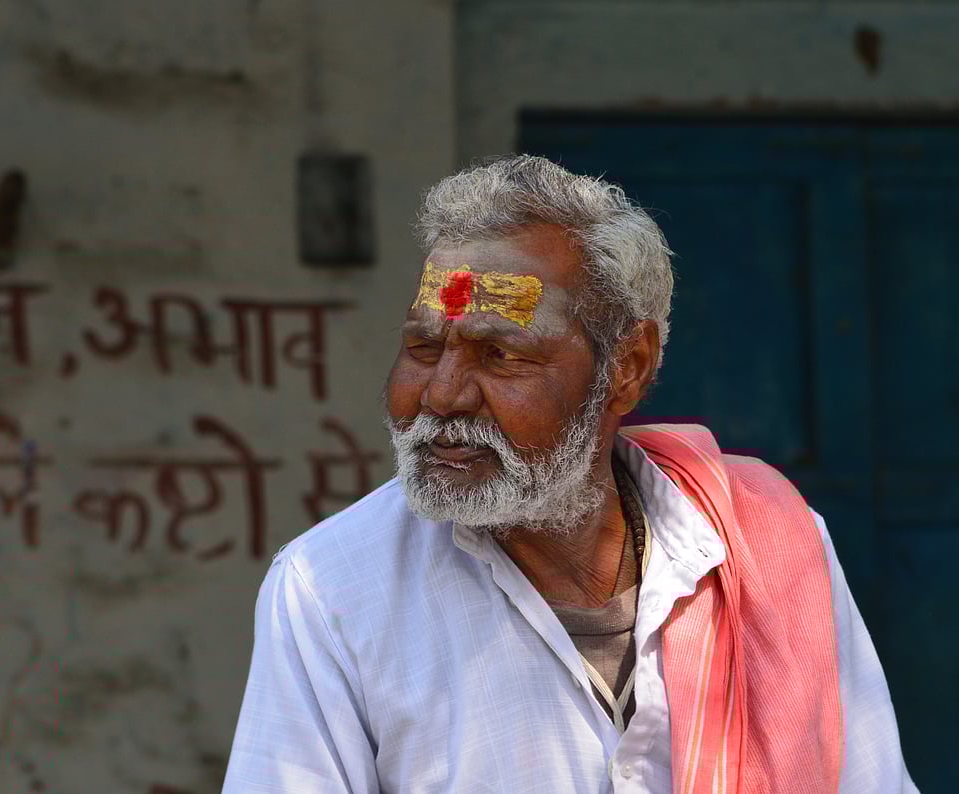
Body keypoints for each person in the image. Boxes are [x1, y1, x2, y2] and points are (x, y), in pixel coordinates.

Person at [222, 155, 917, 792]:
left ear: (628, 367)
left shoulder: (774, 546)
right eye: (424, 346)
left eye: (499, 355)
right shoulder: (333, 586)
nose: (440, 395)